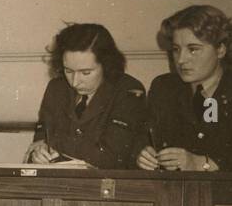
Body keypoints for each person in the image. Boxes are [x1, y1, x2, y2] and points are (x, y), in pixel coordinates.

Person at [138, 5, 232, 173]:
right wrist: (142, 154)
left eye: (193, 49)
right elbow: (140, 138)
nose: (181, 60)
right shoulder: (164, 87)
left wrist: (204, 164)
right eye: (176, 50)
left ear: (220, 50)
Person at [24, 23, 147, 168]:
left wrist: (53, 146)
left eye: (86, 73)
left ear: (106, 65)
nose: (75, 82)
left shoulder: (129, 91)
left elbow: (111, 157)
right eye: (68, 71)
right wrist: (37, 154)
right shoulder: (56, 89)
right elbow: (40, 140)